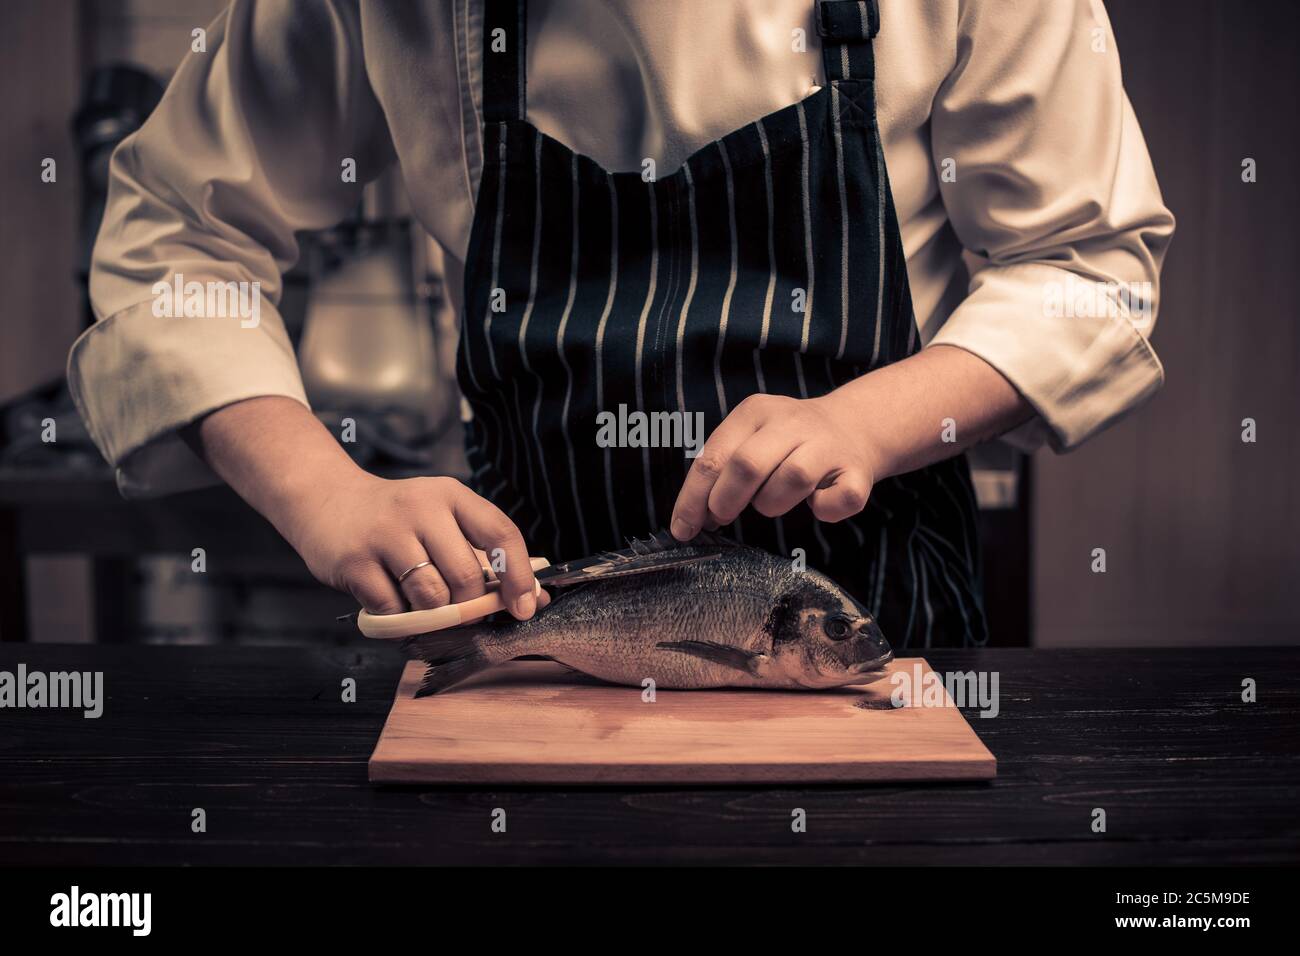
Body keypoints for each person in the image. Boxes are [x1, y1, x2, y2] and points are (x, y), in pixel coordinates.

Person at [71, 0, 1173, 648]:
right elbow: (176, 228)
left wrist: (876, 418)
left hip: (870, 610)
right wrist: (322, 490)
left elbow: (1089, 264)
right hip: (532, 608)